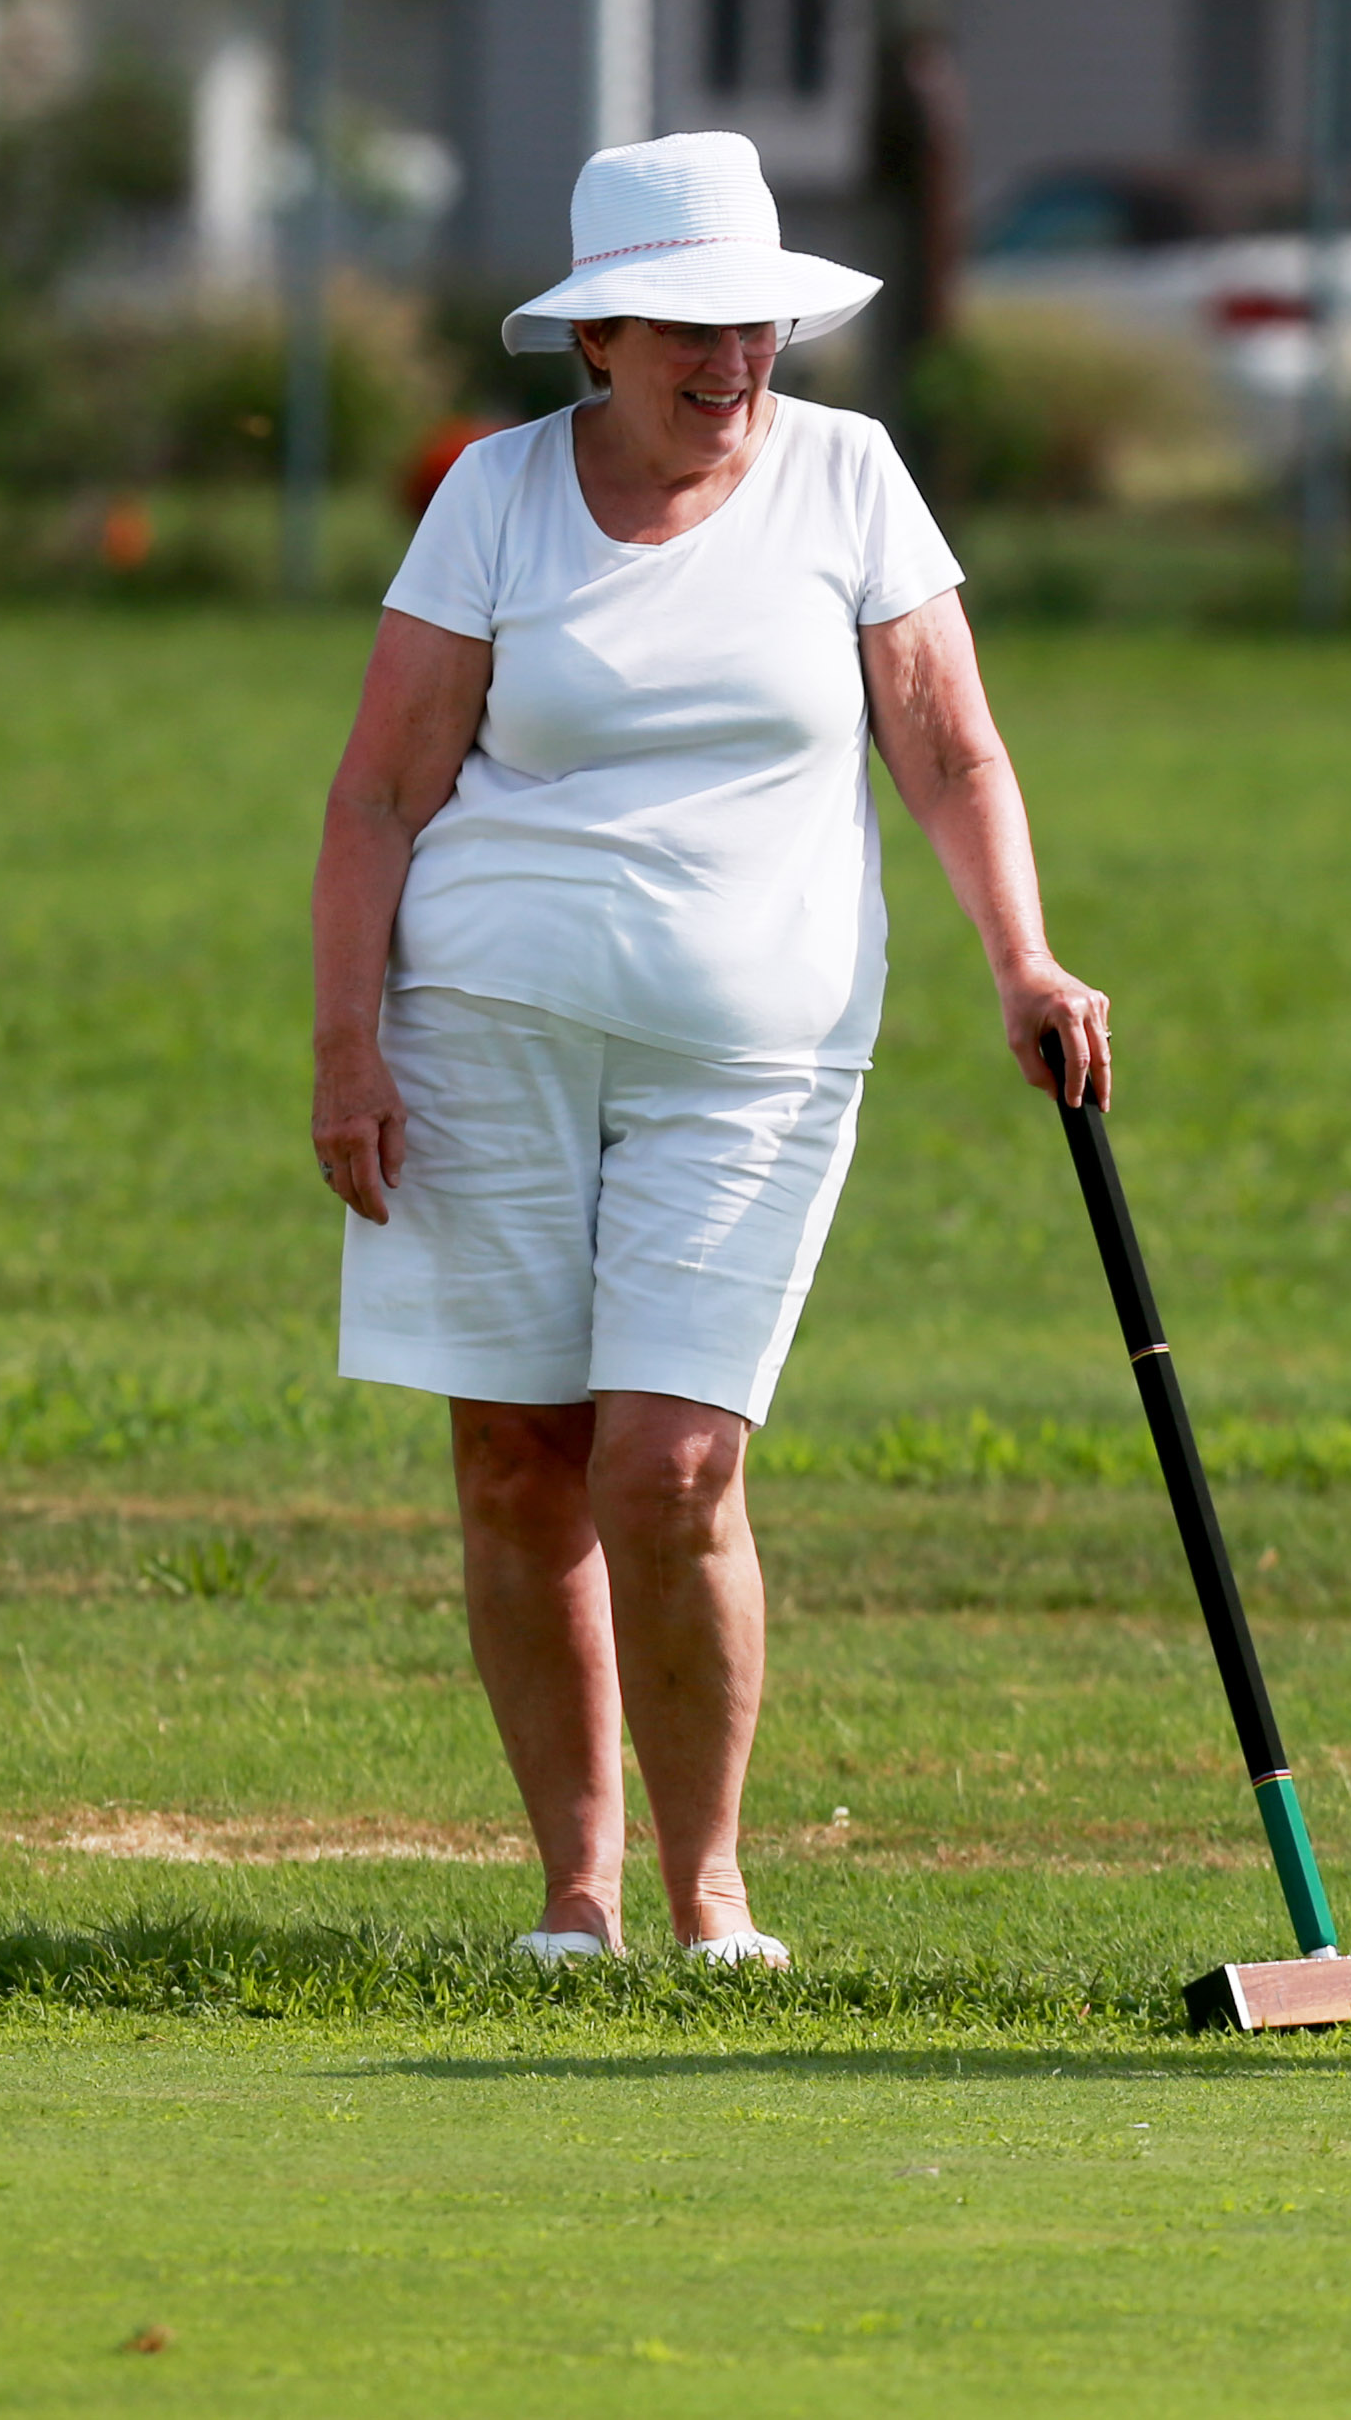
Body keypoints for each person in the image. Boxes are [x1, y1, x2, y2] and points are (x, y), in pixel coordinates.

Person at [309, 131, 1109, 1969]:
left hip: (756, 1047)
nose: (731, 360)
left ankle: (709, 1890)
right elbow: (379, 789)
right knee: (518, 1453)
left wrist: (1023, 956)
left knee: (667, 1462)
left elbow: (951, 747)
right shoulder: (496, 499)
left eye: (753, 323)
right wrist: (347, 1042)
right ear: (600, 340)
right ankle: (575, 1897)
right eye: (687, 327)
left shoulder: (850, 478)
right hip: (486, 1024)